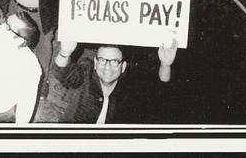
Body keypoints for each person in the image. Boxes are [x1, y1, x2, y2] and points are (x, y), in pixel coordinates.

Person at [50, 41, 178, 123]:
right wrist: (65, 53)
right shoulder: (85, 73)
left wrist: (165, 65)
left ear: (123, 67)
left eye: (114, 62)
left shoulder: (131, 86)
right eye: (102, 60)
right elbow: (61, 72)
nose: (107, 67)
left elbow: (160, 90)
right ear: (95, 63)